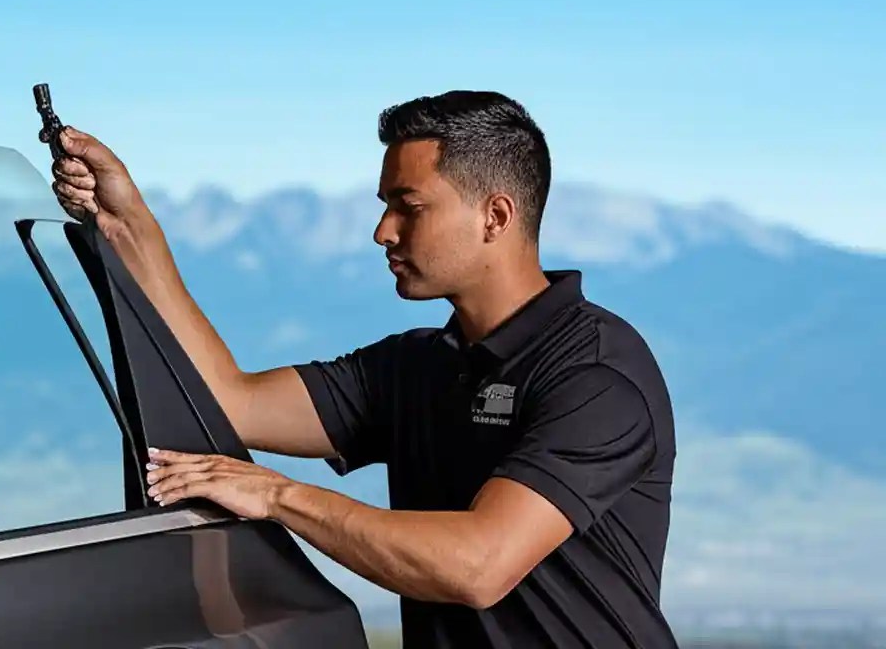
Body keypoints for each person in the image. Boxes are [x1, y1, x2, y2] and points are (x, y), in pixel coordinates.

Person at [50, 90, 679, 648]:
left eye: (409, 206)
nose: (383, 231)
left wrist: (277, 495)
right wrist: (128, 222)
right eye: (385, 206)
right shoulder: (413, 367)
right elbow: (227, 400)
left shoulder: (595, 374)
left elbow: (478, 566)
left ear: (495, 216)